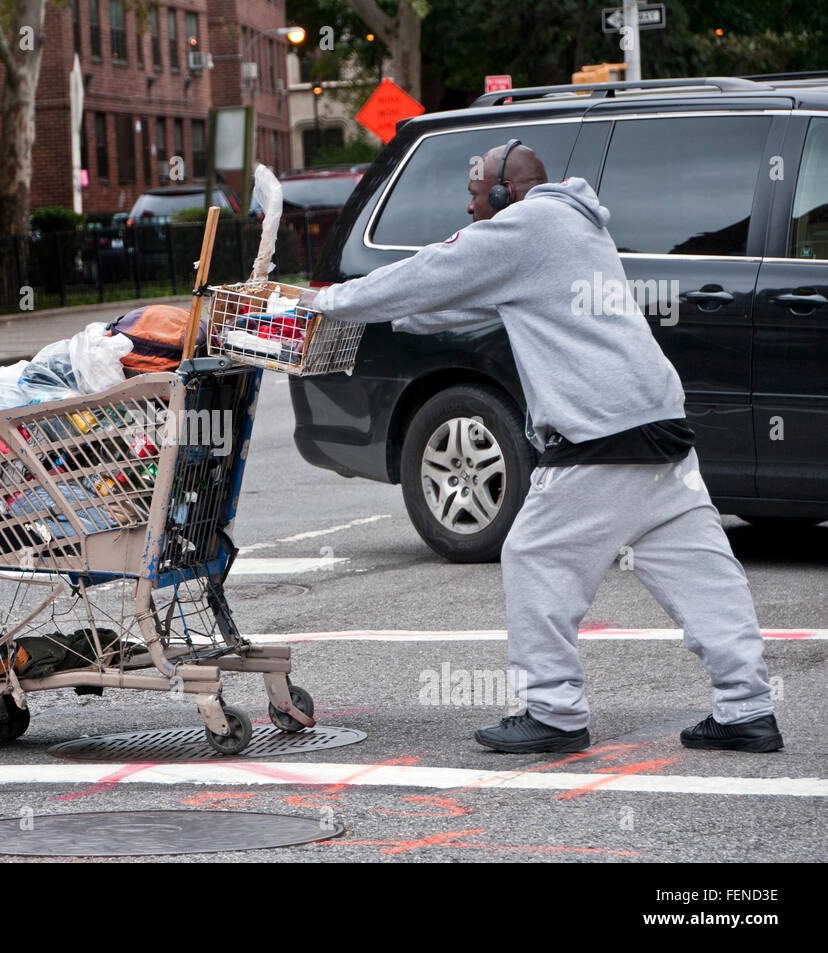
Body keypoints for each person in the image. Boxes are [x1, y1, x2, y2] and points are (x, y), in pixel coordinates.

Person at [303, 140, 783, 754]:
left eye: (476, 196)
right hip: (660, 428)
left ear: (507, 192)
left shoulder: (525, 225)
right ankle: (747, 709)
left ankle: (553, 713)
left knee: (534, 556)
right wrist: (384, 317)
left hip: (600, 435)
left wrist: (323, 303)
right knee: (703, 576)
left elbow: (432, 271)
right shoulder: (573, 227)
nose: (472, 210)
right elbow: (461, 298)